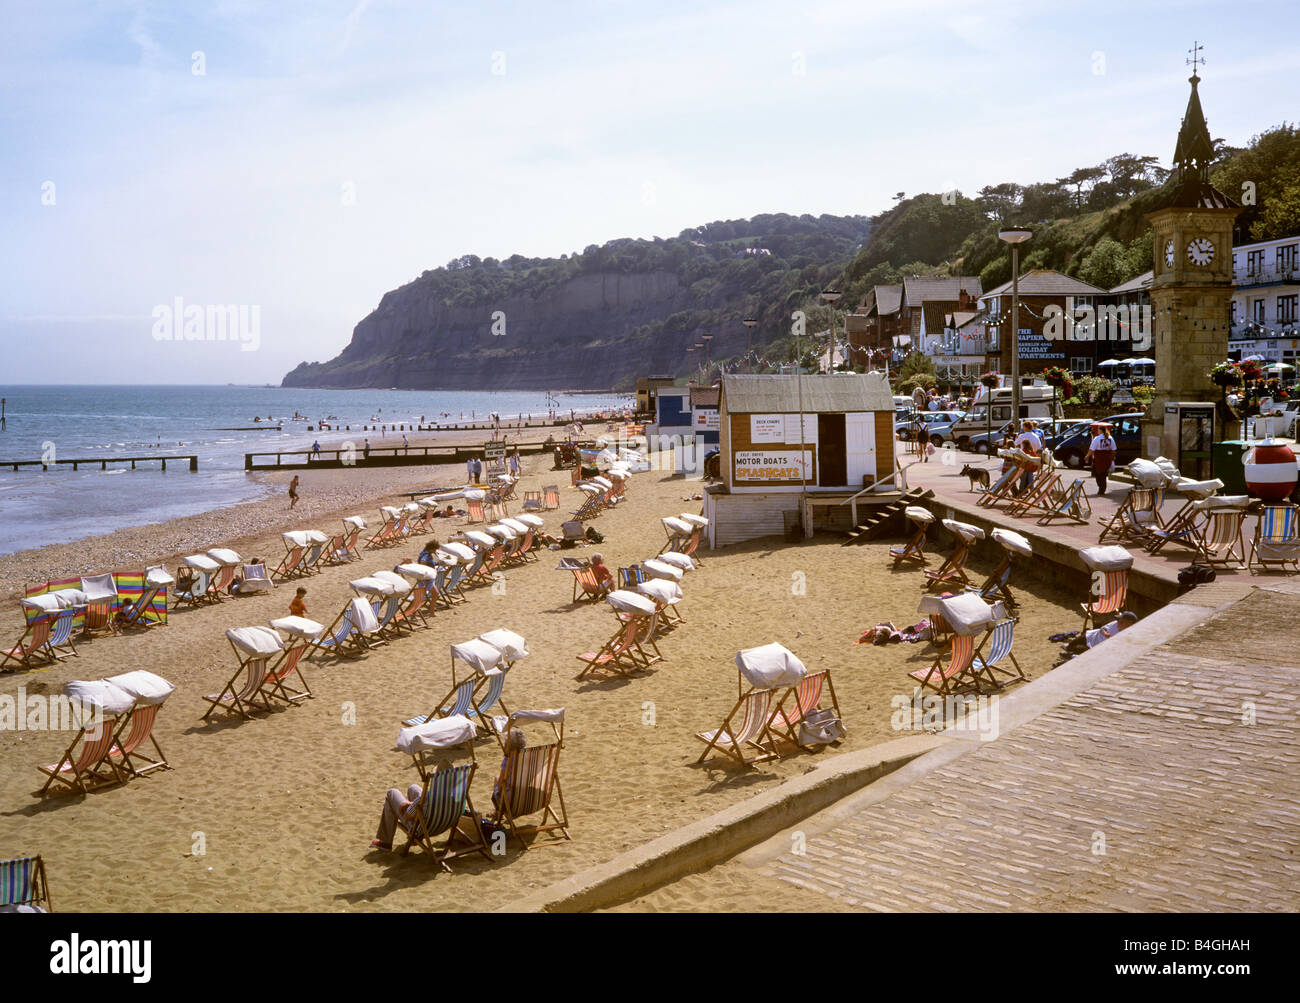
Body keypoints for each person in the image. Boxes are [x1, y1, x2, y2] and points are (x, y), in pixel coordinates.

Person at [1085, 422, 1117, 496]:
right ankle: (1102, 488)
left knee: (1098, 474)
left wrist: (1087, 456)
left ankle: (1101, 488)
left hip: (1099, 458)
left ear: (1100, 430)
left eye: (1098, 429)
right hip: (1107, 458)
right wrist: (1112, 457)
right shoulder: (1110, 438)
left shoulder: (1097, 438)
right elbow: (1114, 449)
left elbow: (1092, 449)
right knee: (1103, 473)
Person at [1013, 420, 1040, 496]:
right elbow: (1039, 448)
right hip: (1033, 460)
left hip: (1024, 460)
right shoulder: (1036, 437)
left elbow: (1015, 444)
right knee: (1030, 477)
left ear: (1025, 427)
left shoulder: (1022, 436)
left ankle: (1022, 491)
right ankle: (1031, 491)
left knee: (1023, 478)